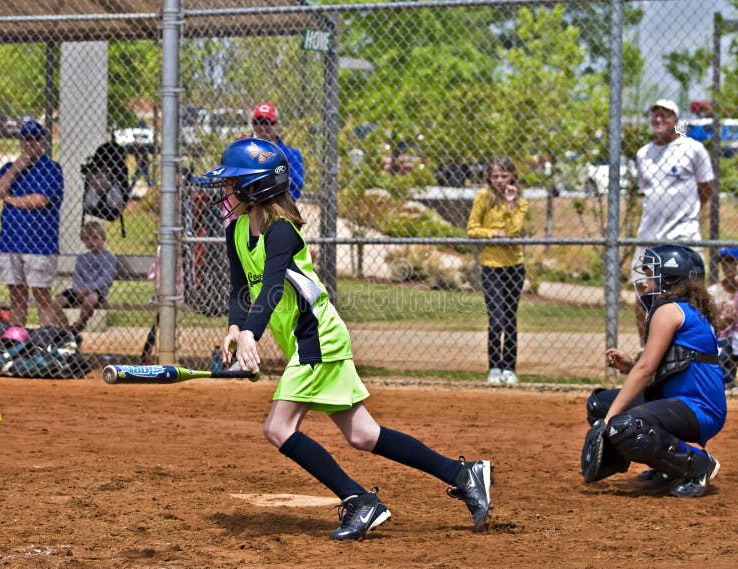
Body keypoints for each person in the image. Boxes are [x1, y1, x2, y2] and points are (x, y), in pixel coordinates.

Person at [202, 137, 492, 541]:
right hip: (309, 341)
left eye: (233, 183)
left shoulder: (281, 232)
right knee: (363, 435)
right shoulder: (236, 231)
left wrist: (253, 331)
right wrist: (236, 329)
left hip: (315, 338)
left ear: (256, 188)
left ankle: (359, 500)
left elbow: (270, 288)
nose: (226, 191)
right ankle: (464, 474)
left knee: (278, 428)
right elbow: (240, 290)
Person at [585, 245, 725, 498]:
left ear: (671, 279)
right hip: (678, 403)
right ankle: (666, 466)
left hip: (699, 409)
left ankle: (698, 465)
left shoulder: (669, 310)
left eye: (652, 274)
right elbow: (670, 364)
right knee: (600, 404)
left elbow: (647, 370)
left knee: (625, 424)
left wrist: (607, 424)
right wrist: (630, 366)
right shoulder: (681, 308)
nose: (645, 282)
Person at [633, 99, 715, 342]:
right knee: (642, 298)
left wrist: (687, 214)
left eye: (665, 115)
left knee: (690, 298)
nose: (659, 119)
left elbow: (706, 188)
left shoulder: (693, 149)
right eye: (655, 115)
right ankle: (646, 353)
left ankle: (691, 351)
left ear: (676, 120)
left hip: (683, 236)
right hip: (649, 236)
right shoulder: (643, 153)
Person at [0, 120, 64, 327]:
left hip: (39, 245)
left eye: (35, 139)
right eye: (26, 139)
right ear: (21, 142)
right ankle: (17, 344)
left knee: (42, 298)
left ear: (44, 142)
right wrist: (15, 170)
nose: (30, 144)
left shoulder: (51, 168)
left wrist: (11, 200)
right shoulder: (9, 168)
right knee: (17, 299)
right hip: (10, 242)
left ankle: (46, 344)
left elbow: (40, 200)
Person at [466, 157, 529, 385]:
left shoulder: (520, 201)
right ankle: (494, 367)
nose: (500, 180)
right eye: (495, 176)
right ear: (489, 178)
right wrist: (492, 234)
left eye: (504, 175)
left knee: (511, 319)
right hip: (491, 265)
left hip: (514, 266)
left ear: (512, 176)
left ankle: (509, 368)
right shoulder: (483, 197)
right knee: (497, 319)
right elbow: (472, 229)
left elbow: (514, 231)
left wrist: (511, 205)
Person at [48, 221, 116, 334]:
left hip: (97, 291)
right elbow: (77, 276)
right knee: (55, 303)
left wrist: (88, 289)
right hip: (78, 290)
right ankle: (66, 329)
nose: (91, 242)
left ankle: (81, 322)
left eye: (95, 238)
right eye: (87, 239)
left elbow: (106, 278)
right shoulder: (82, 258)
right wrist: (78, 289)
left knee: (91, 299)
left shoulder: (109, 258)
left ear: (103, 238)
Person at [251, 102, 304, 201]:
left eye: (268, 122)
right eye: (258, 122)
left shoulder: (291, 155)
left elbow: (295, 187)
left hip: (279, 211)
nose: (262, 127)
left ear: (277, 124)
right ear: (252, 124)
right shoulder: (245, 152)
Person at [708, 247, 738, 391]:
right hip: (723, 339)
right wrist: (725, 320)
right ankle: (728, 384)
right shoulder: (713, 291)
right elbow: (712, 325)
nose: (728, 267)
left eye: (732, 262)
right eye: (724, 263)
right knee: (723, 349)